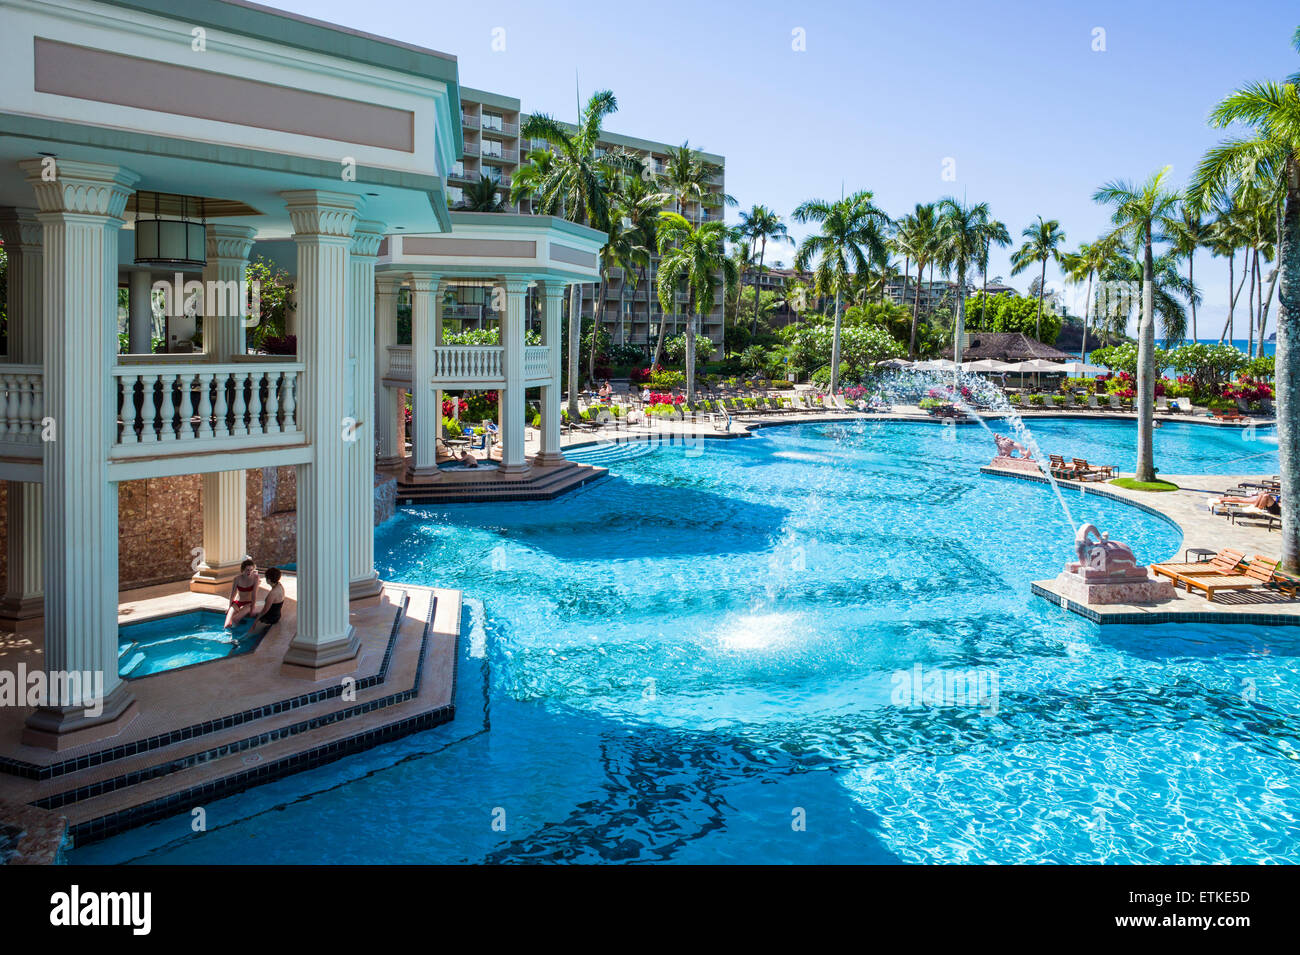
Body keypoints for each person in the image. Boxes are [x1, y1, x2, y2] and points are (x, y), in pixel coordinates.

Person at [247, 567, 285, 638]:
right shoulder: (279, 586)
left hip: (269, 619)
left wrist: (256, 622)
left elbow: (265, 610)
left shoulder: (272, 594)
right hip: (277, 615)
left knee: (249, 634)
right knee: (252, 614)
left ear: (269, 580)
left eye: (266, 577)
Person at [225, 558, 259, 629]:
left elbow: (254, 595)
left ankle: (235, 638)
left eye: (251, 570)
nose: (249, 572)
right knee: (227, 624)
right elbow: (233, 594)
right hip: (238, 602)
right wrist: (229, 607)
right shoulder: (237, 579)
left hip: (248, 603)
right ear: (243, 570)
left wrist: (252, 609)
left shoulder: (255, 578)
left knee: (235, 619)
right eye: (247, 570)